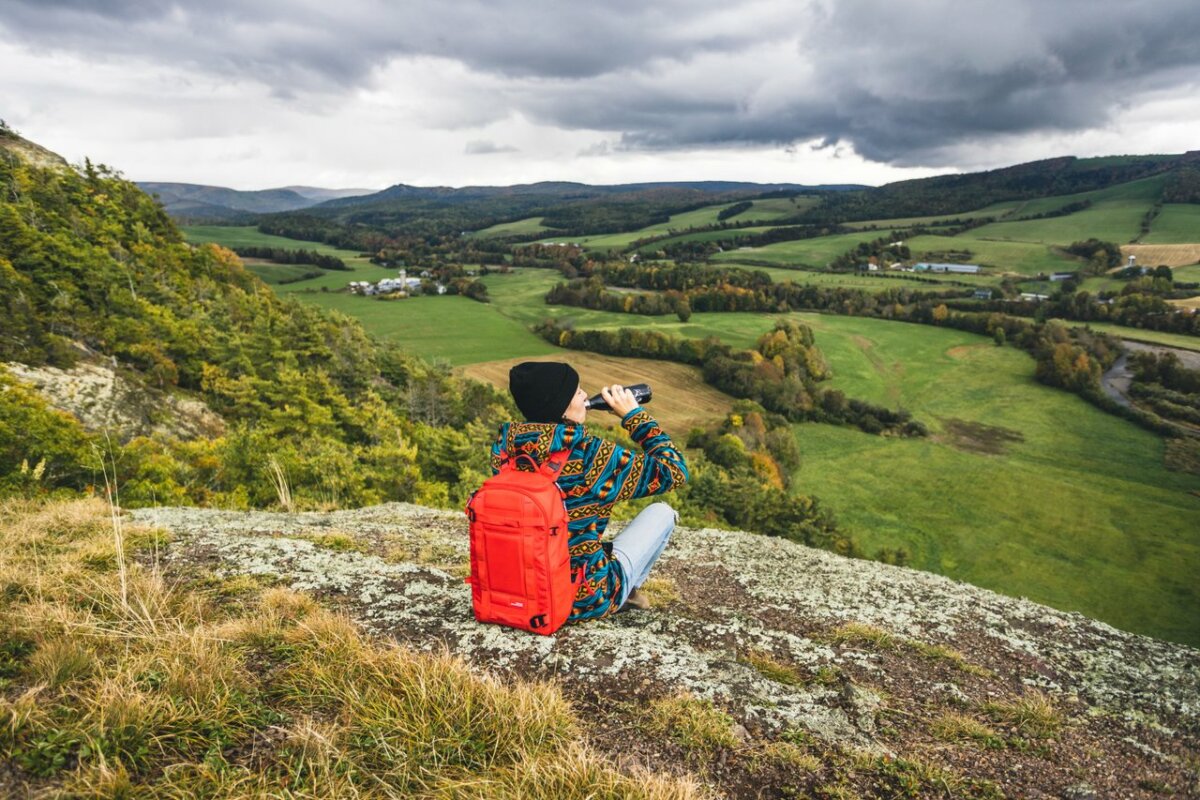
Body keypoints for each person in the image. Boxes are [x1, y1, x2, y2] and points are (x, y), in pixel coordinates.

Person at [492, 361, 689, 621]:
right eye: (576, 391)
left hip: (520, 590)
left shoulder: (504, 451)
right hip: (581, 599)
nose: (585, 395)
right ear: (560, 407)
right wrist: (634, 417)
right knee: (662, 513)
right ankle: (625, 593)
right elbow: (674, 470)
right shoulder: (590, 454)